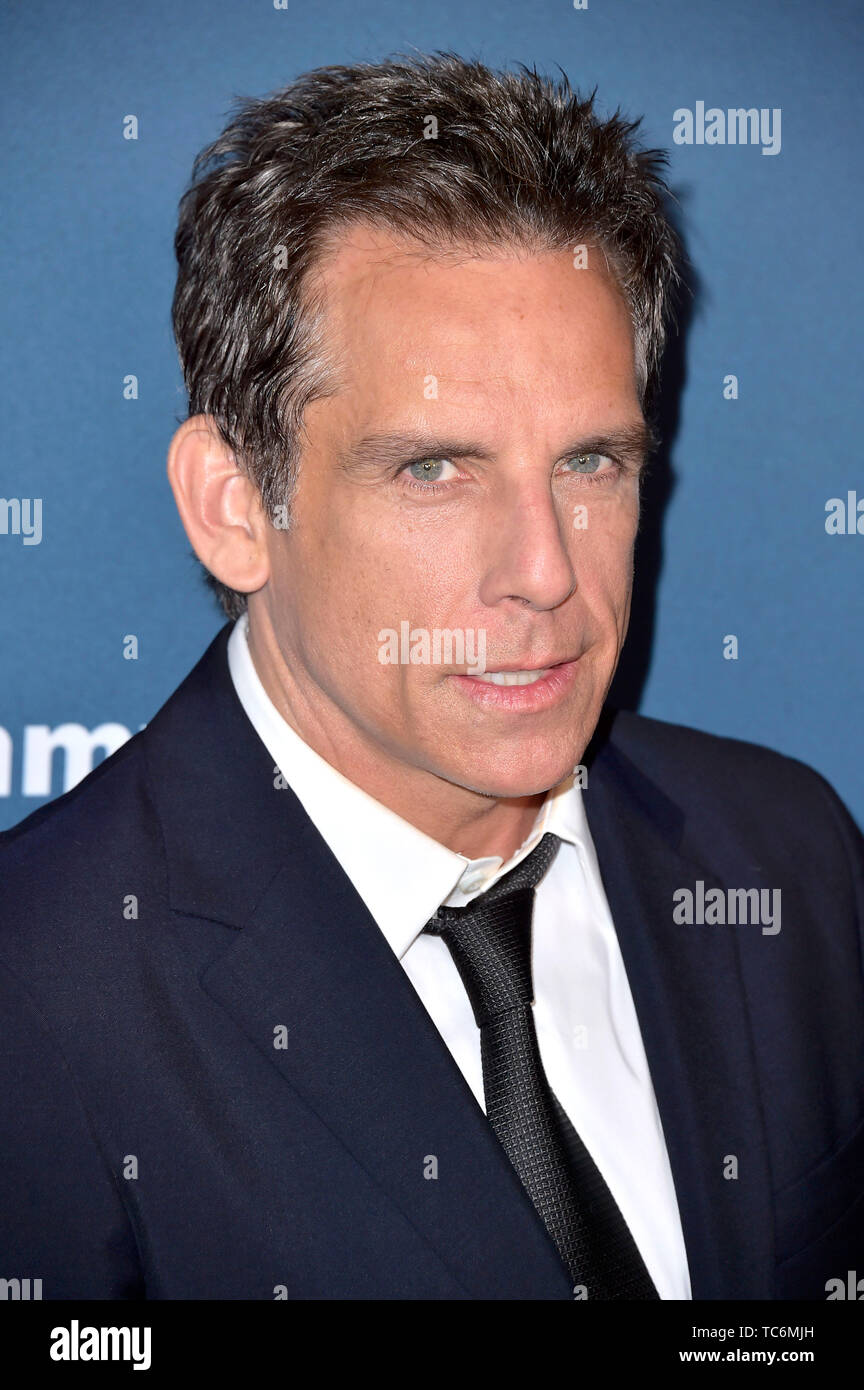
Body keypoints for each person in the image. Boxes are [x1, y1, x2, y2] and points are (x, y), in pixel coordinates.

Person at [1, 54, 862, 1301]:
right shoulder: (39, 999)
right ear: (236, 505)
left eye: (592, 462)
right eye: (433, 471)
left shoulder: (785, 857)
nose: (545, 572)